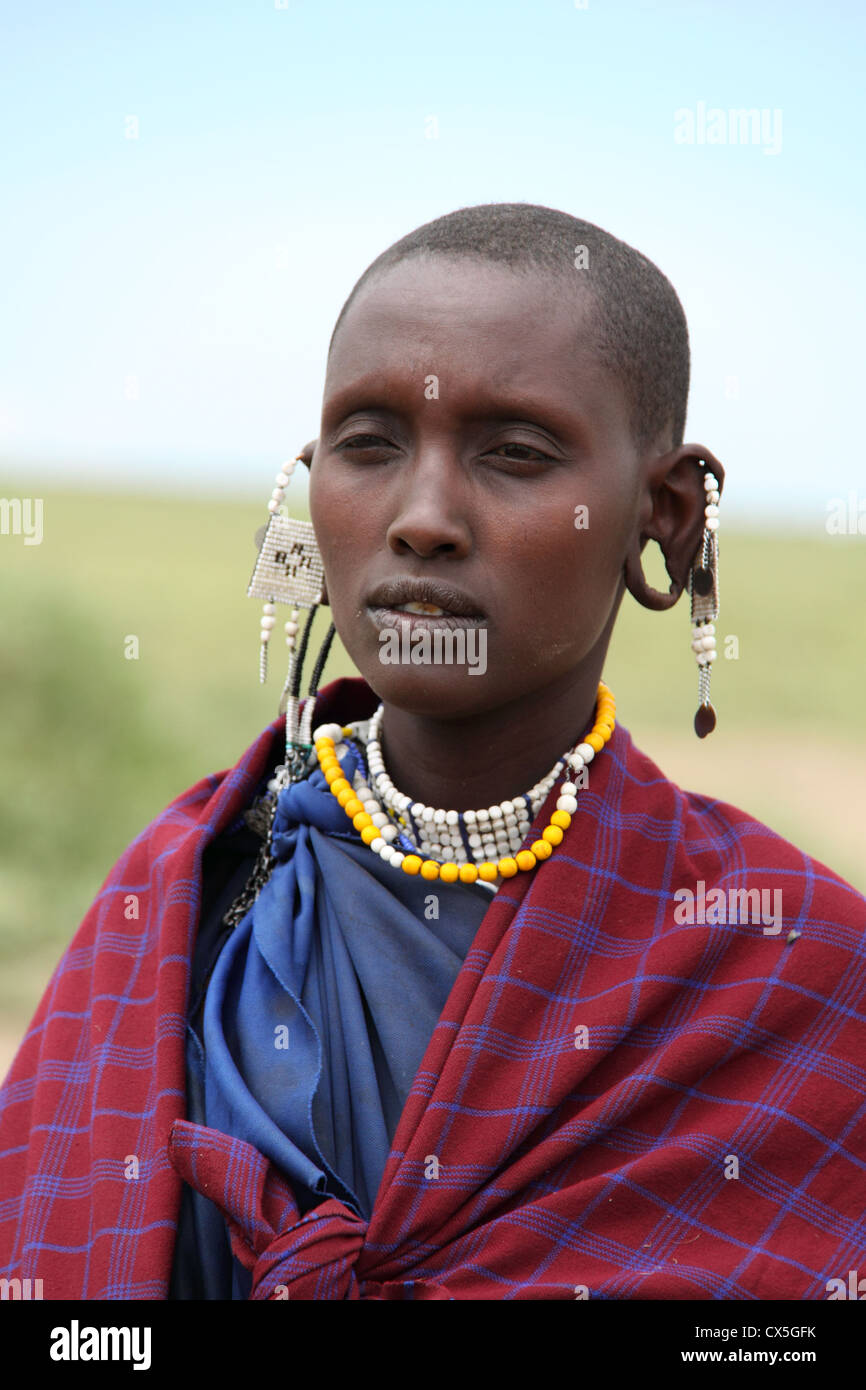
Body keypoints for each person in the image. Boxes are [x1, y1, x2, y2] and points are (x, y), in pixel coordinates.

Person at [2, 203, 864, 1302]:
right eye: (367, 444)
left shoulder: (789, 966)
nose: (420, 516)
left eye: (513, 454)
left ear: (666, 513)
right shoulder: (183, 895)